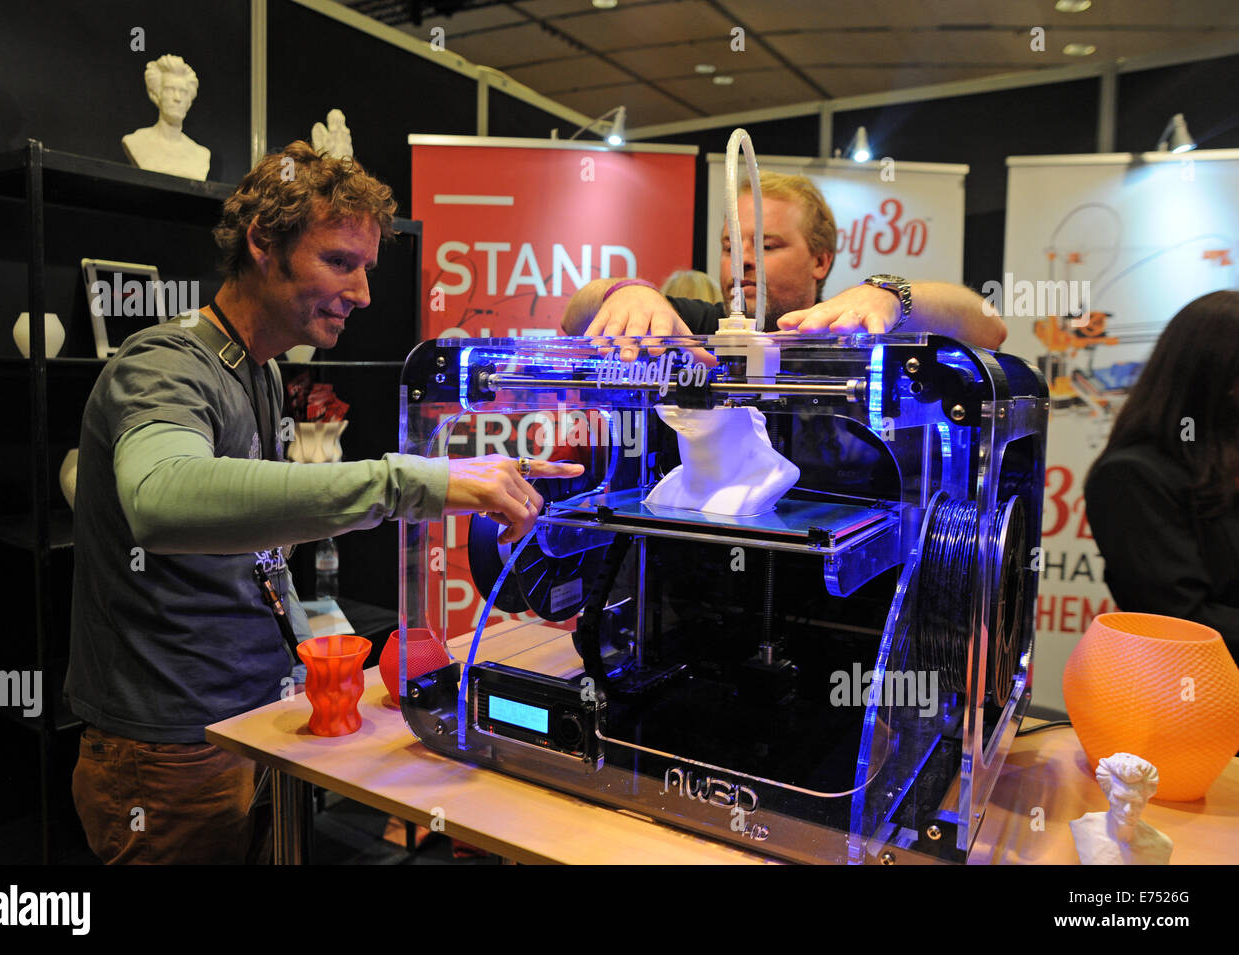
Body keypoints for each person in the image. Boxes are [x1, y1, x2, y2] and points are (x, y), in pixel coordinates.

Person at [65, 140, 580, 864]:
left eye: (366, 267)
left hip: (251, 723)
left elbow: (252, 543)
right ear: (263, 245)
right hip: (168, 752)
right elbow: (163, 498)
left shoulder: (261, 373)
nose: (365, 293)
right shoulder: (162, 364)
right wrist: (414, 483)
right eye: (340, 262)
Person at [562, 171, 1006, 359]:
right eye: (729, 247)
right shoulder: (693, 326)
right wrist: (628, 290)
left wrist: (889, 295)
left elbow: (990, 329)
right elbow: (574, 319)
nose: (743, 263)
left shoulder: (850, 337)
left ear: (820, 260)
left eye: (767, 246)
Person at [1084, 290, 1239, 662]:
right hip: (1188, 701)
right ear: (1219, 377)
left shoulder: (1225, 462)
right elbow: (1180, 620)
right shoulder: (1132, 475)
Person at [1069, 753, 1172, 865]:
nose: (1128, 810)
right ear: (1108, 793)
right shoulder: (1085, 828)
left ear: (1146, 799)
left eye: (1136, 802)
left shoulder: (1160, 847)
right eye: (1120, 799)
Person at [122, 54, 212, 180]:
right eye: (170, 89)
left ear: (189, 101)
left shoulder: (200, 155)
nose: (177, 98)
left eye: (183, 92)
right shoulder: (137, 142)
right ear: (156, 95)